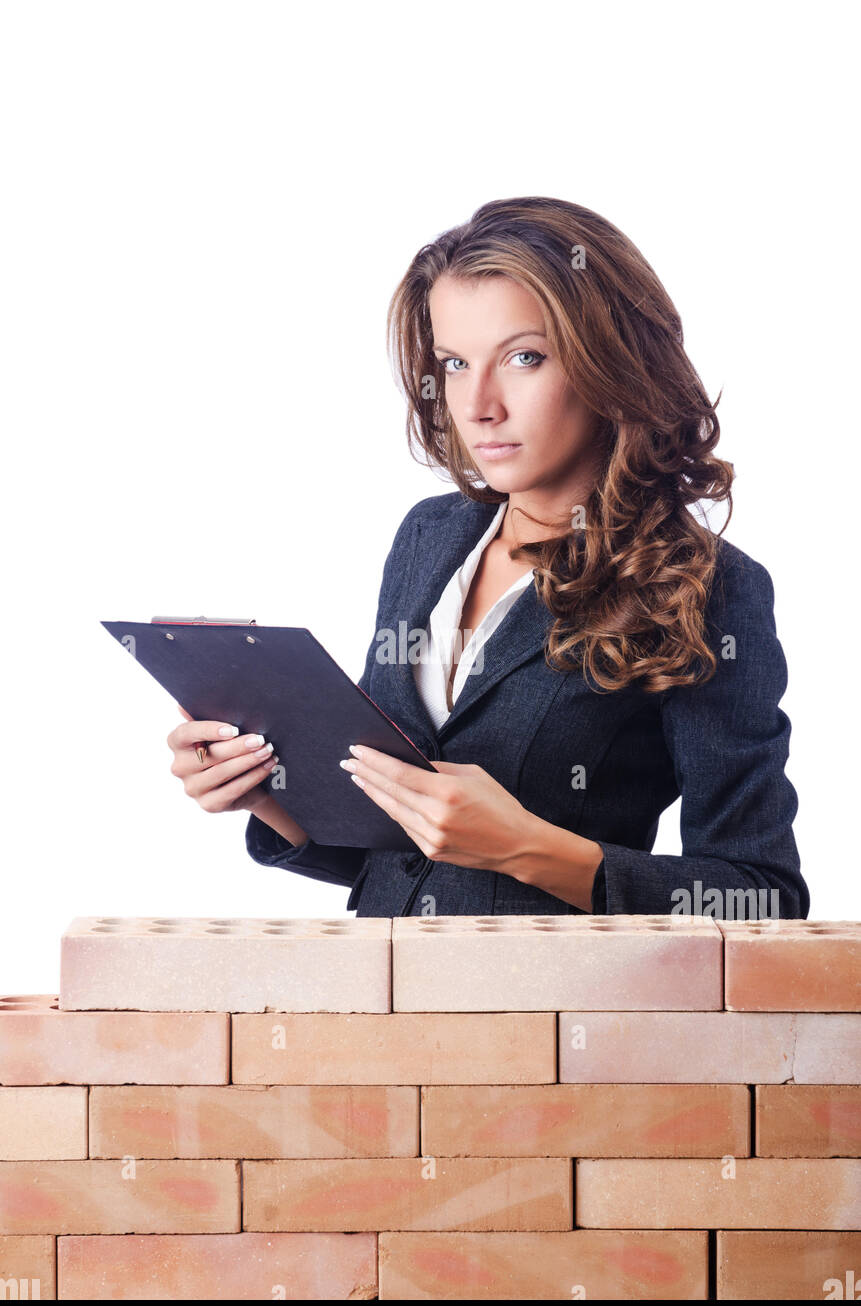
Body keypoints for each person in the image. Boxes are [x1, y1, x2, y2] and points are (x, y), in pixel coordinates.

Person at [167, 196, 808, 922]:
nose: (476, 405)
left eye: (523, 358)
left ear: (611, 361)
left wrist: (523, 847)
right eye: (453, 363)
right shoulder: (429, 537)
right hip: (379, 1001)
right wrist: (272, 793)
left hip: (552, 1017)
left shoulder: (710, 587)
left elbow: (761, 897)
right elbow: (398, 854)